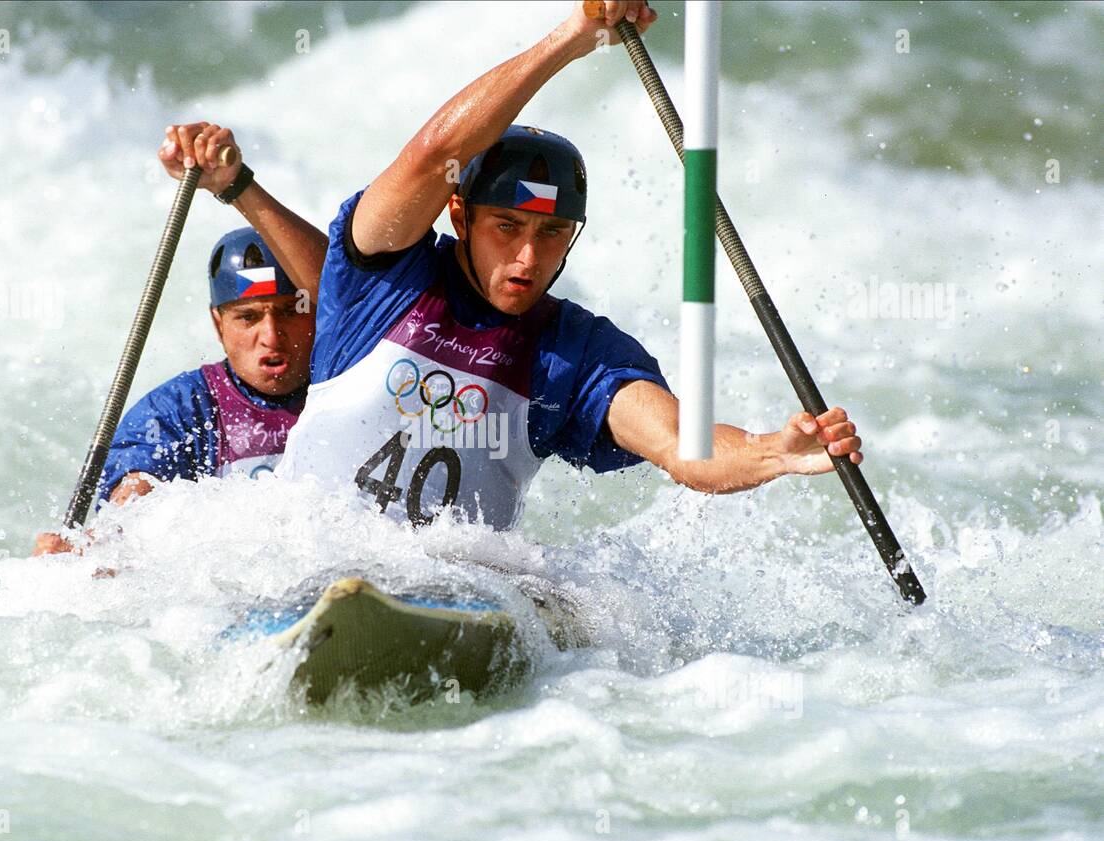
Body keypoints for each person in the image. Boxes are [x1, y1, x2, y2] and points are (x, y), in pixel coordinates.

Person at [275, 0, 862, 530]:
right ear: (459, 215)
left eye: (552, 233)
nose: (528, 257)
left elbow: (683, 448)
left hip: (454, 586)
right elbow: (436, 154)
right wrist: (574, 36)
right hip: (304, 552)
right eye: (507, 227)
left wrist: (775, 452)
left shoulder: (575, 352)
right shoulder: (381, 269)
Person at [34, 123, 327, 555]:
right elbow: (134, 493)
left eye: (288, 312)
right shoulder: (182, 410)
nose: (271, 336)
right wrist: (95, 549)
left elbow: (351, 287)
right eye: (248, 318)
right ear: (218, 325)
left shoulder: (349, 377)